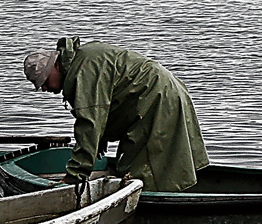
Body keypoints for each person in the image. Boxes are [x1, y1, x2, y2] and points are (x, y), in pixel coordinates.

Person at [22, 36, 209, 193]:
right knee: (160, 160)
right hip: (166, 90)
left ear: (54, 67)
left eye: (44, 81)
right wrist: (102, 137)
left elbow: (89, 124)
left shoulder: (82, 71)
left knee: (142, 168)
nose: (45, 89)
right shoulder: (83, 59)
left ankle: (155, 205)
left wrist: (74, 177)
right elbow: (110, 100)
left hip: (155, 98)